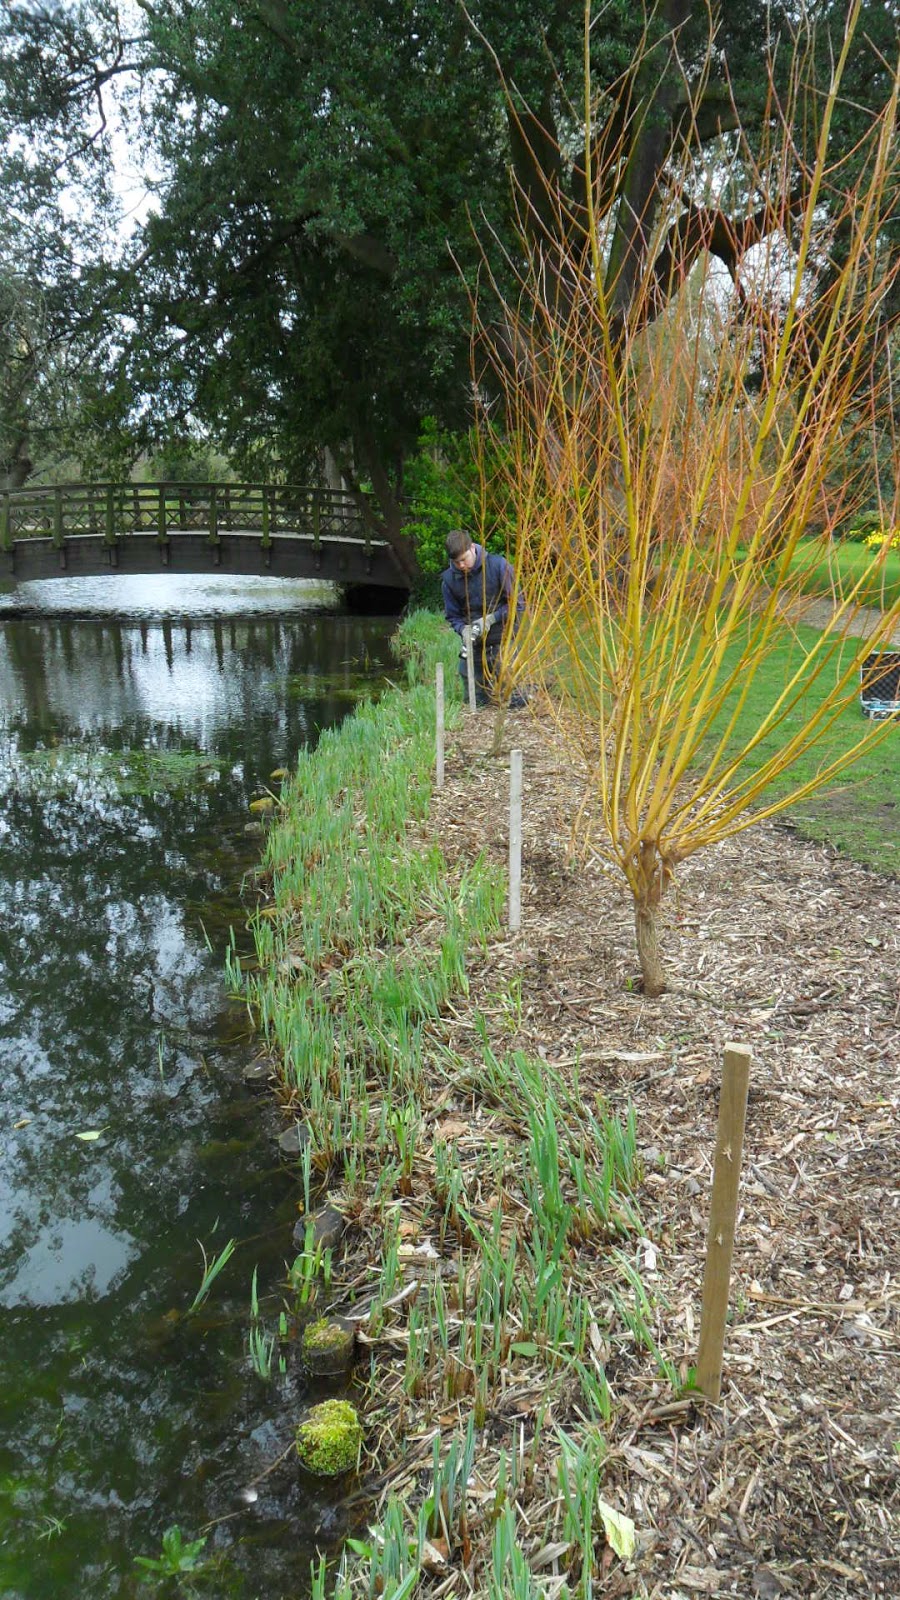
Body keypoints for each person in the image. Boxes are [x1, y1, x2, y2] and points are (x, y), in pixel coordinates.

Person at [441, 529, 526, 707]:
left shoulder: (498, 566)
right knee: (475, 699)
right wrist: (462, 629)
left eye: (464, 559)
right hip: (474, 644)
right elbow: (453, 616)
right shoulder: (449, 580)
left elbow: (517, 604)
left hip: (502, 638)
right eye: (457, 562)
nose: (461, 566)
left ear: (472, 548)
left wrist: (490, 619)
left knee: (513, 698)